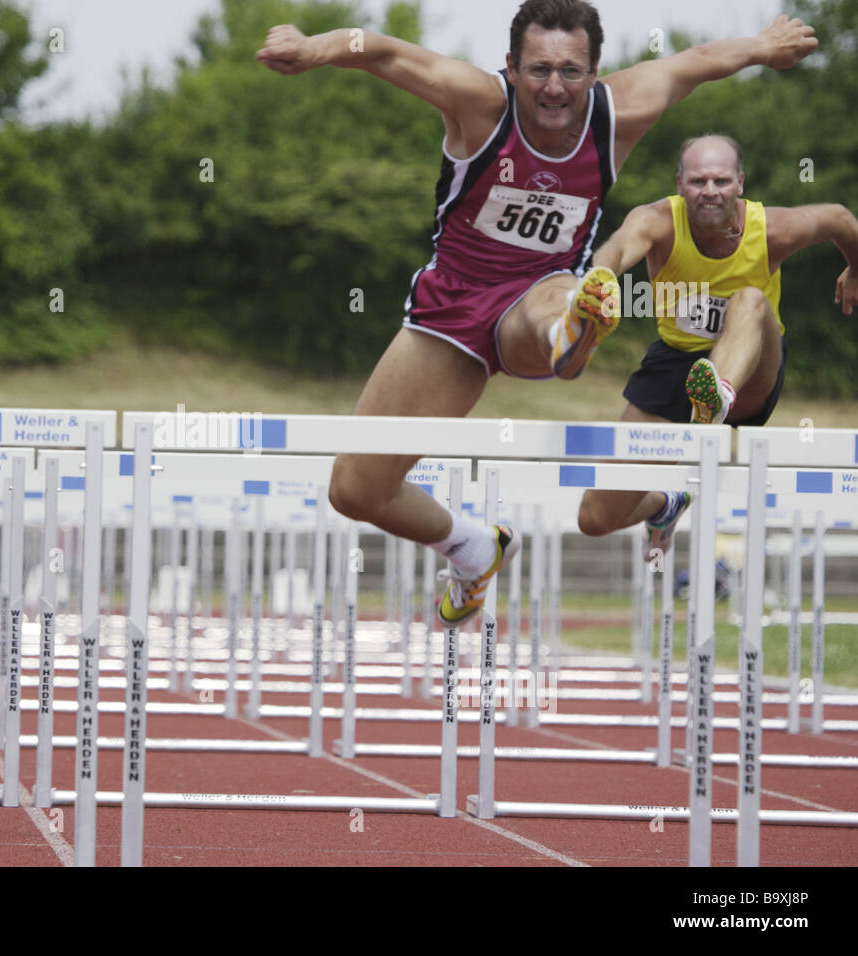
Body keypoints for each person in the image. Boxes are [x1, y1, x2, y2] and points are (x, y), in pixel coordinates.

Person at [256, 1, 816, 624]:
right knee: (354, 490)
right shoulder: (475, 99)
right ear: (512, 69)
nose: (555, 88)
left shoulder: (619, 109)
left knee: (554, 304)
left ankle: (576, 331)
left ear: (595, 72)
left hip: (541, 292)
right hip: (450, 308)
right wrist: (314, 48)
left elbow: (701, 62)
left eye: (572, 73)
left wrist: (764, 46)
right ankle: (472, 548)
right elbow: (383, 50)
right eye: (540, 70)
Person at [577, 134, 858, 548]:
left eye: (721, 181)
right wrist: (596, 282)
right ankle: (664, 504)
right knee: (595, 517)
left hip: (750, 372)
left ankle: (716, 395)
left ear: (740, 183)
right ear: (679, 184)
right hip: (675, 364)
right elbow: (617, 249)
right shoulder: (658, 221)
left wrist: (855, 270)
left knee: (750, 299)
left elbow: (838, 218)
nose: (710, 191)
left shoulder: (771, 230)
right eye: (698, 181)